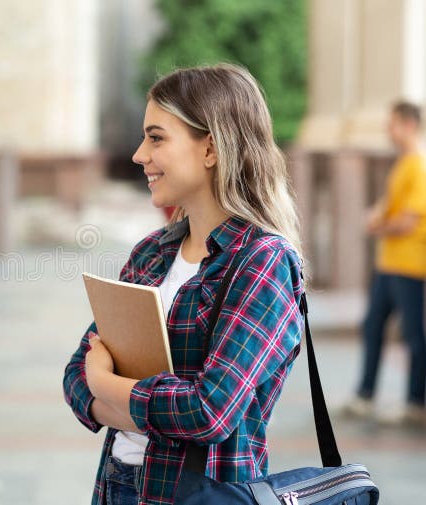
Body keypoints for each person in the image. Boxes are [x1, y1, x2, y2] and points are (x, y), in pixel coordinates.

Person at [63, 64, 305, 505]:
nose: (139, 155)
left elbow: (209, 411)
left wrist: (108, 386)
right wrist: (139, 405)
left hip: (198, 494)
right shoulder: (151, 253)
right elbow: (75, 377)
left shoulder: (263, 262)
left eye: (156, 138)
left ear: (210, 148)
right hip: (118, 485)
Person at [343, 101, 426, 427]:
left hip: (409, 264)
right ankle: (365, 394)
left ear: (409, 125)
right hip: (390, 263)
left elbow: (409, 220)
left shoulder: (418, 165)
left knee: (413, 334)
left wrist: (377, 225)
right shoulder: (404, 163)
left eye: (393, 124)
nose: (388, 130)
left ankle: (416, 402)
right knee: (373, 325)